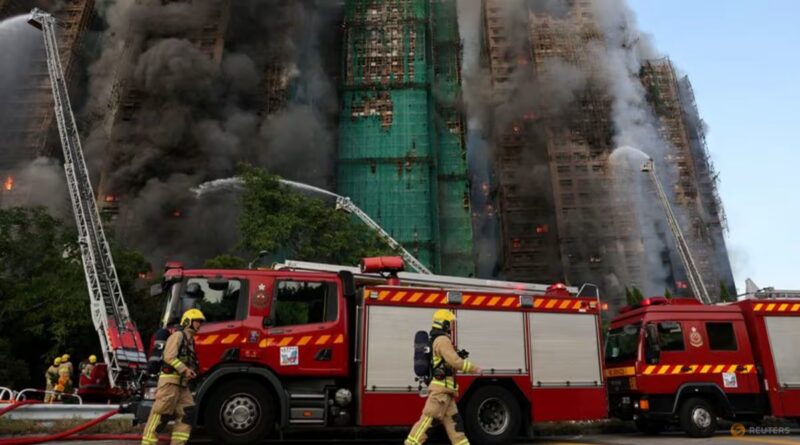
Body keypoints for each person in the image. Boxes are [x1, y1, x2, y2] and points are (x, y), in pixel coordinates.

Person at [405, 309, 482, 445]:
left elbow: (447, 362)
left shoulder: (437, 339)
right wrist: (474, 368)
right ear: (444, 324)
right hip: (441, 392)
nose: (450, 327)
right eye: (449, 323)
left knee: (455, 426)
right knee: (427, 421)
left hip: (447, 392)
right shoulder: (442, 340)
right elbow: (455, 362)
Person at [141, 309, 204, 445]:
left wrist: (192, 371)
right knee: (160, 414)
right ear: (187, 322)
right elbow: (169, 357)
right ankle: (148, 443)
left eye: (200, 322)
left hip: (182, 384)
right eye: (197, 321)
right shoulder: (178, 336)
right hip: (170, 381)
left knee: (187, 413)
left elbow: (189, 360)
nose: (200, 324)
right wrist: (185, 369)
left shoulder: (190, 340)